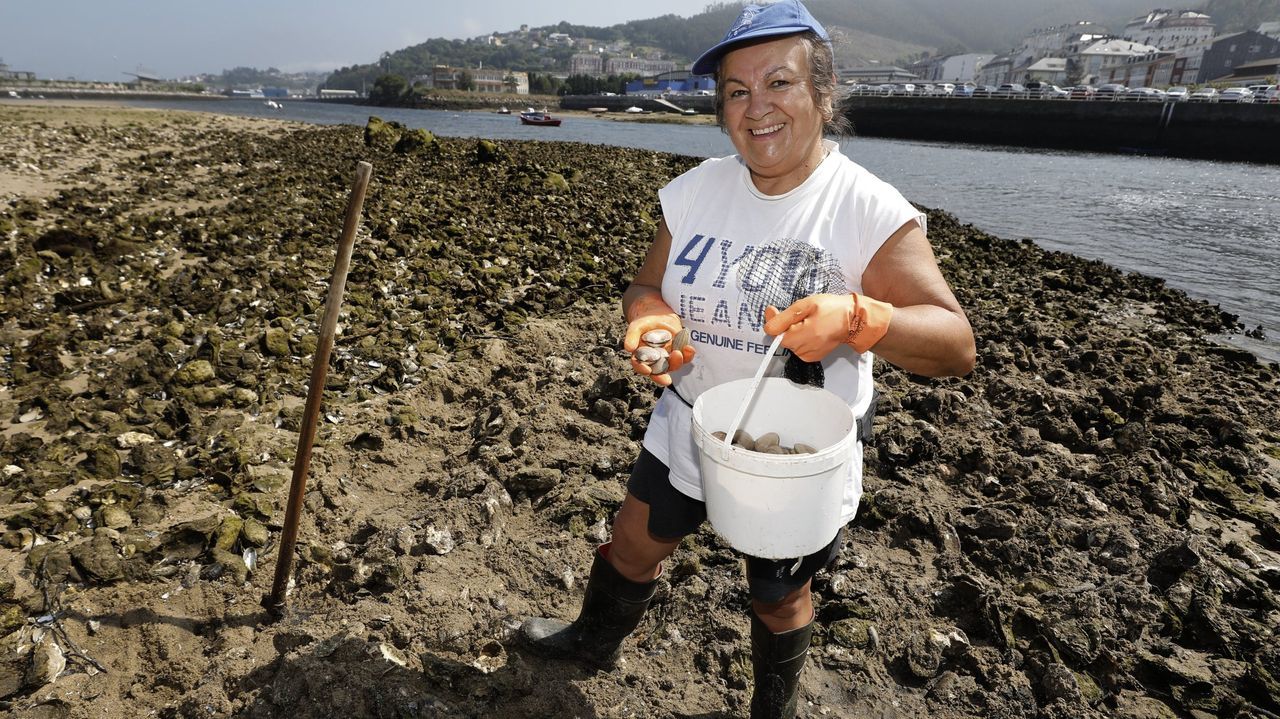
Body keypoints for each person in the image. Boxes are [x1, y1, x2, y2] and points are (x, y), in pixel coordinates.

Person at [520, 1, 976, 716]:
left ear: (822, 94)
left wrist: (859, 317)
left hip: (792, 455)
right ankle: (592, 638)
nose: (756, 107)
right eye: (737, 91)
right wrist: (650, 323)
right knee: (632, 543)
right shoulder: (696, 193)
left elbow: (955, 343)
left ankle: (773, 708)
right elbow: (645, 287)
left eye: (779, 84)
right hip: (691, 420)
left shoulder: (865, 208)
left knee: (778, 594)